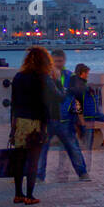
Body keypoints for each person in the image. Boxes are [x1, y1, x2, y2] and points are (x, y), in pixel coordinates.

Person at [9, 46, 54, 205]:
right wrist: (44, 127)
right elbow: (46, 105)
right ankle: (30, 196)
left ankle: (18, 194)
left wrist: (12, 128)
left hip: (20, 122)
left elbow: (13, 104)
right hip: (36, 123)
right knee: (33, 161)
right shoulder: (43, 78)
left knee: (19, 160)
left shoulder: (18, 77)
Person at [36, 49, 89, 183]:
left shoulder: (70, 77)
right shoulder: (44, 77)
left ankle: (82, 173)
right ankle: (38, 176)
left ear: (64, 61)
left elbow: (78, 99)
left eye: (60, 61)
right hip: (47, 119)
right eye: (55, 61)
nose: (57, 63)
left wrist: (80, 120)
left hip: (65, 120)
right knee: (42, 149)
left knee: (73, 147)